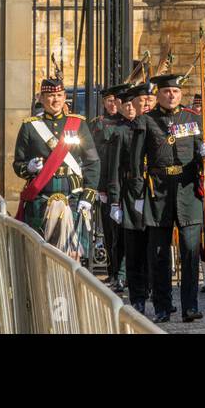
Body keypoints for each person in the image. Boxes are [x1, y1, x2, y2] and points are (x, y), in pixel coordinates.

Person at [118, 73, 205, 325]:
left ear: (181, 94)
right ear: (158, 94)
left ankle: (190, 306)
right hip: (158, 191)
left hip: (187, 191)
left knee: (190, 252)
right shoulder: (146, 121)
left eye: (176, 92)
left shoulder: (193, 119)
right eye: (167, 91)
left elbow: (203, 158)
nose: (172, 95)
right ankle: (162, 306)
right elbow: (137, 162)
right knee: (159, 253)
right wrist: (138, 196)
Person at [12, 77, 101, 262]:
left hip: (73, 197)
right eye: (50, 96)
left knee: (74, 254)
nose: (56, 100)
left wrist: (89, 194)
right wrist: (28, 168)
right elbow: (18, 164)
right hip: (41, 197)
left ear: (65, 97)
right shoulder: (30, 126)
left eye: (59, 95)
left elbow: (92, 161)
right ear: (41, 98)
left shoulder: (77, 124)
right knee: (39, 253)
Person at [108, 83, 151, 312]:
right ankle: (137, 296)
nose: (139, 106)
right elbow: (114, 169)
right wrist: (114, 200)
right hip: (131, 194)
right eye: (136, 102)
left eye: (144, 101)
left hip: (153, 193)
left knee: (152, 248)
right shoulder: (120, 132)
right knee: (133, 248)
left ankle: (153, 289)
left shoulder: (152, 126)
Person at [89, 85, 129, 294]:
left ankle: (123, 274)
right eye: (109, 101)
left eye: (116, 100)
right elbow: (93, 158)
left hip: (125, 183)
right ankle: (114, 272)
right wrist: (97, 187)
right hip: (105, 185)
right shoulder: (97, 125)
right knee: (110, 233)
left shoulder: (128, 124)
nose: (113, 104)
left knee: (125, 232)